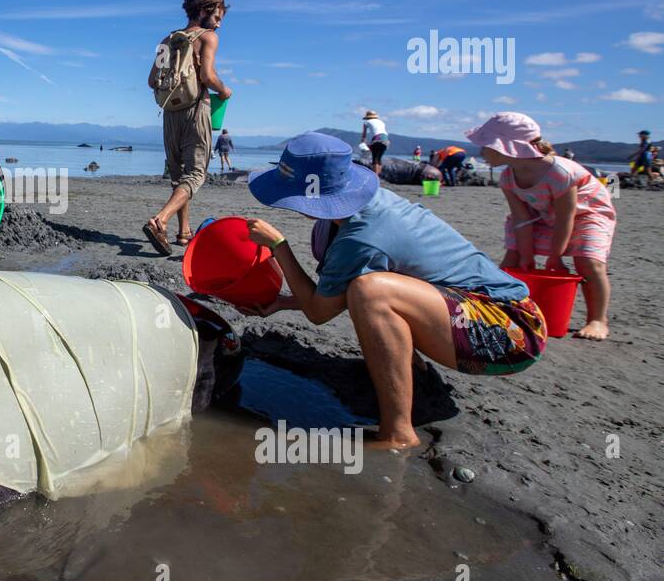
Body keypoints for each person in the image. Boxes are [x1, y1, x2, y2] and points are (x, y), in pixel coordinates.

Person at [237, 132, 545, 449]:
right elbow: (332, 298)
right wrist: (285, 302)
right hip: (484, 315)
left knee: (371, 291)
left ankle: (398, 433)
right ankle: (414, 370)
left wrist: (279, 247)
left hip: (510, 336)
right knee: (367, 288)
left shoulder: (361, 236)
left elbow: (319, 313)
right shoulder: (364, 208)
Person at [468, 112, 616, 341]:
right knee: (514, 260)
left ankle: (597, 319)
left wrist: (555, 258)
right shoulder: (508, 177)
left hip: (587, 214)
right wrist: (526, 255)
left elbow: (566, 218)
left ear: (507, 147)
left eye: (486, 146)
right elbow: (521, 219)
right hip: (543, 216)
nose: (481, 152)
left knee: (588, 261)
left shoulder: (560, 172)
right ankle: (501, 309)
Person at [143, 0, 233, 254]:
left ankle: (184, 233)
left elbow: (150, 81)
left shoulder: (166, 40)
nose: (218, 25)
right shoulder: (208, 38)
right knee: (195, 175)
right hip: (196, 109)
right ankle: (161, 220)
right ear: (204, 11)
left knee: (178, 174)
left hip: (170, 112)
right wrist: (225, 90)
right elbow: (207, 75)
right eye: (216, 17)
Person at [360, 110, 389, 177]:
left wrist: (362, 143)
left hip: (377, 140)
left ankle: (375, 176)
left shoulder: (366, 122)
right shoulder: (381, 122)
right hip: (386, 140)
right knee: (379, 158)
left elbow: (364, 135)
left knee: (375, 158)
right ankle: (378, 176)